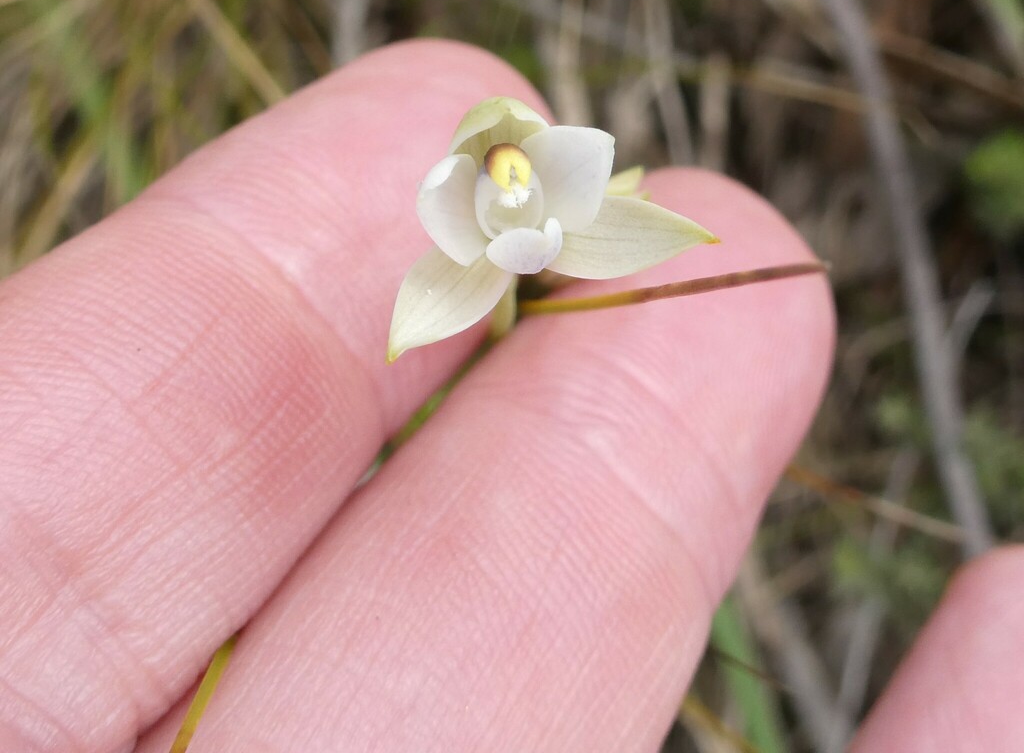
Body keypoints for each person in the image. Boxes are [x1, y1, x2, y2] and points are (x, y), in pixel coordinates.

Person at [1, 40, 1020, 753]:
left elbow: (625, 231)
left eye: (521, 165)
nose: (512, 177)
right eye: (494, 170)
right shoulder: (444, 272)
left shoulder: (567, 216)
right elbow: (423, 308)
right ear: (461, 184)